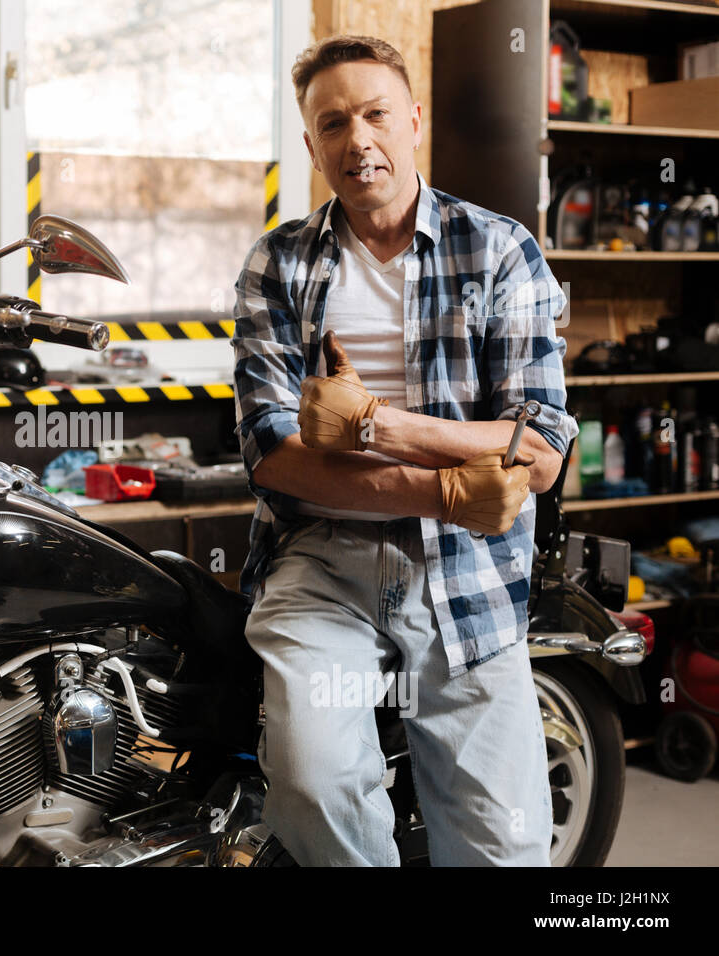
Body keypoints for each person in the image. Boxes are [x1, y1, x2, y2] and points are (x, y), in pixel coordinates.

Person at [231, 34, 577, 866]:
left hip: (469, 573)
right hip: (322, 567)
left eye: (377, 113)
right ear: (313, 147)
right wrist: (449, 489)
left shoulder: (499, 250)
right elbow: (272, 454)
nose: (359, 139)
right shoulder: (277, 264)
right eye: (333, 123)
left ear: (413, 119)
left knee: (503, 846)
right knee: (312, 787)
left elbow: (539, 446)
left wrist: (371, 425)